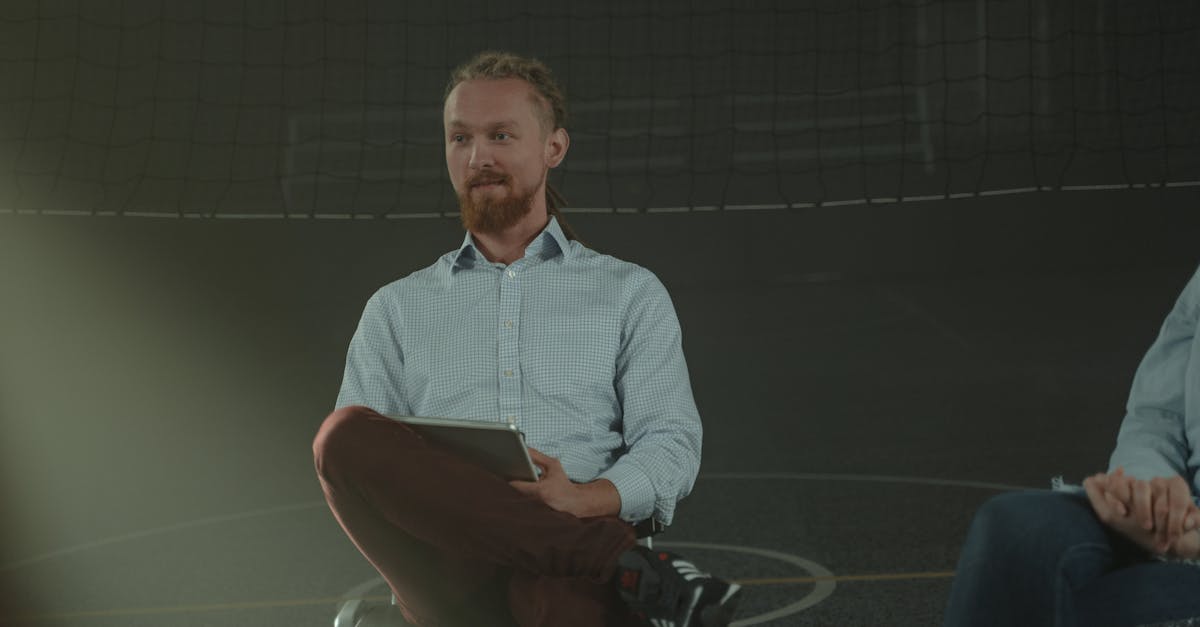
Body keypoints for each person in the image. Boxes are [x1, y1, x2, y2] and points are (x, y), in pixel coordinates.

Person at [312, 51, 742, 627]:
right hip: (445, 564)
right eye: (459, 137)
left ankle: (602, 565)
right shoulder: (396, 308)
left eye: (501, 135)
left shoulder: (629, 292)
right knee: (341, 436)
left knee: (550, 604)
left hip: (570, 548)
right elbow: (364, 474)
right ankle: (633, 572)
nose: (477, 156)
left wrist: (580, 500)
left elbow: (671, 443)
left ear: (554, 148)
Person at [943, 265, 1200, 627]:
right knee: (1016, 526)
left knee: (1090, 608)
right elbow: (1157, 416)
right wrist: (1147, 490)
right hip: (1185, 513)